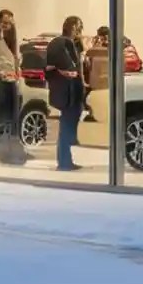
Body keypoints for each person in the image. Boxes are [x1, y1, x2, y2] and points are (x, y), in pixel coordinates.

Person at [46, 15, 85, 171]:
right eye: (79, 28)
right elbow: (51, 68)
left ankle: (65, 159)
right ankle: (64, 161)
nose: (80, 31)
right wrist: (64, 73)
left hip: (72, 92)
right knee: (66, 126)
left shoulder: (72, 45)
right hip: (68, 92)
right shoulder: (60, 43)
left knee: (68, 125)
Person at [0, 10, 28, 165]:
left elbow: (16, 64)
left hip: (13, 82)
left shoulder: (13, 42)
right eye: (4, 22)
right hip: (1, 83)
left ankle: (11, 151)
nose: (6, 25)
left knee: (13, 119)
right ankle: (4, 152)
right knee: (3, 119)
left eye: (9, 23)